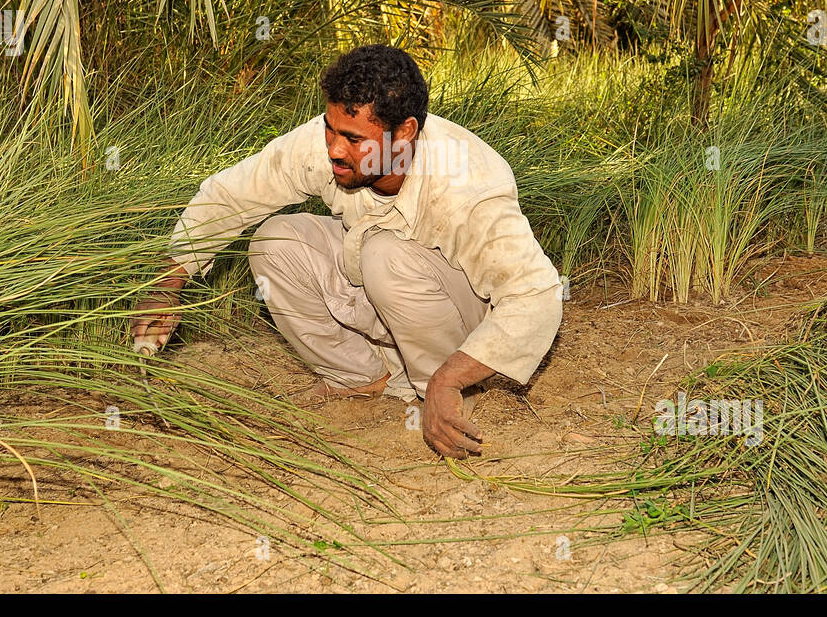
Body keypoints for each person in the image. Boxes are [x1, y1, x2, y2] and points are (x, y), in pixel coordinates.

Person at [129, 44, 563, 458]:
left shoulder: (468, 184)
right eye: (329, 128)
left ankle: (447, 393)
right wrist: (169, 279)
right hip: (385, 282)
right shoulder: (332, 144)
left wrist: (450, 378)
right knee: (274, 240)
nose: (335, 149)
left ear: (406, 132)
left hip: (461, 316)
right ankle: (361, 378)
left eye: (353, 139)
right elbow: (232, 195)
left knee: (384, 255)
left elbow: (536, 295)